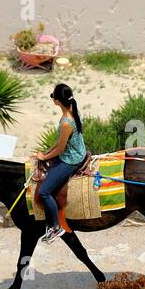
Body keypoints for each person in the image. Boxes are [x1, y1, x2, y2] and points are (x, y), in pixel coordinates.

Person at [32, 82, 87, 244]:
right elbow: (60, 141)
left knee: (44, 192)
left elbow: (61, 149)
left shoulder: (66, 122)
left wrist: (44, 158)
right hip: (76, 152)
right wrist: (46, 153)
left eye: (53, 96)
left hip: (71, 159)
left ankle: (56, 227)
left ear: (57, 101)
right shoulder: (71, 112)